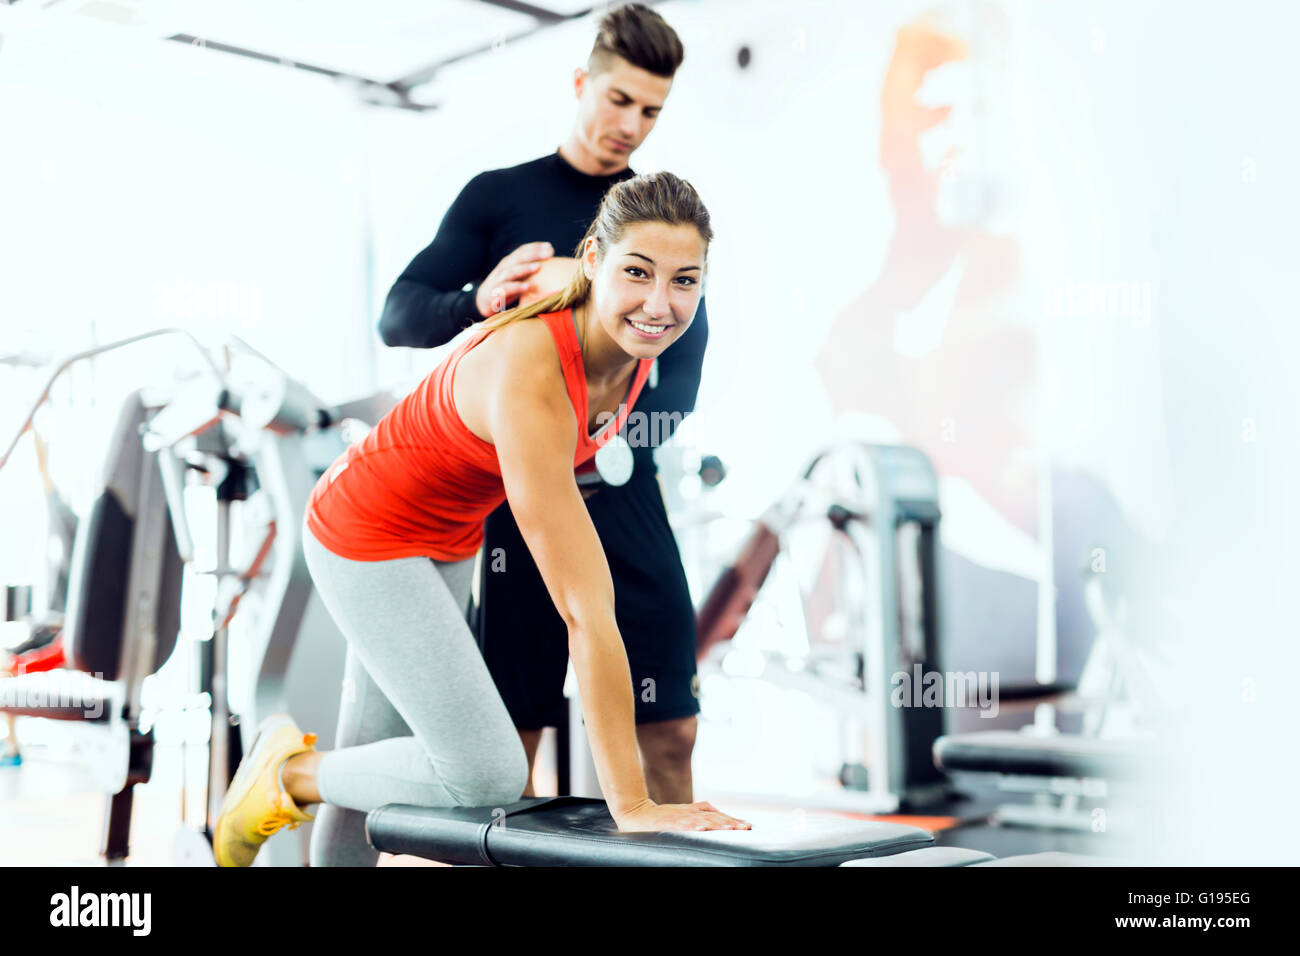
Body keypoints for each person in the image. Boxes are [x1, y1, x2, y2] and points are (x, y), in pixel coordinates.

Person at [213, 172, 750, 868]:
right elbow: (588, 612)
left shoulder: (634, 351)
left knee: (371, 757)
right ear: (594, 263)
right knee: (483, 773)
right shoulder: (533, 370)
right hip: (366, 534)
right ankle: (287, 775)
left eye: (685, 280)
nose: (660, 303)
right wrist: (634, 804)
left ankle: (308, 788)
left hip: (449, 539)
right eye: (638, 273)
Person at [377, 3, 708, 810]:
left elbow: (686, 364)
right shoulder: (501, 197)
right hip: (518, 488)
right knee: (513, 732)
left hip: (622, 488)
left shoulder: (656, 217)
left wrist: (614, 423)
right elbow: (398, 314)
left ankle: (674, 854)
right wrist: (477, 299)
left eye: (652, 110)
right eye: (619, 99)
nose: (631, 125)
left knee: (671, 725)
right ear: (581, 84)